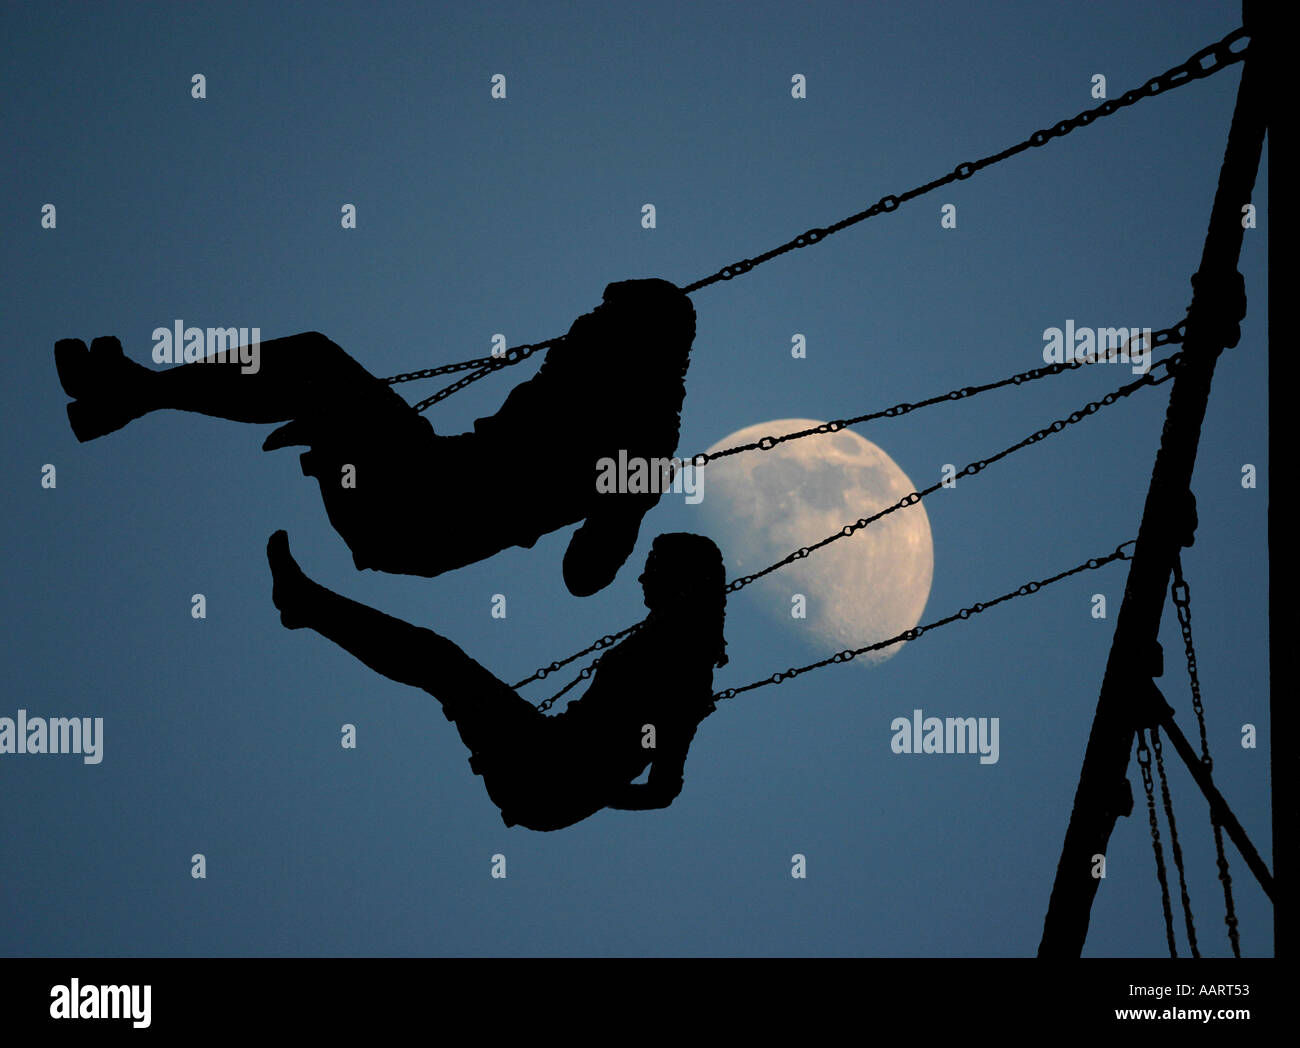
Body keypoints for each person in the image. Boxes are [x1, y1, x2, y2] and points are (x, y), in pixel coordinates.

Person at [54, 278, 696, 596]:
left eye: (605, 315)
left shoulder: (642, 438)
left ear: (636, 342)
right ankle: (134, 395)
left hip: (423, 511)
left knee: (314, 362)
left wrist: (625, 508)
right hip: (421, 480)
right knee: (314, 366)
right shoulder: (586, 377)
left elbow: (583, 577)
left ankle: (136, 393)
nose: (583, 319)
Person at [266, 529, 726, 832]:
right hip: (545, 762)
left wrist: (589, 790)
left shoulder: (686, 666)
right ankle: (306, 605)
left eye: (654, 565)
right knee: (438, 663)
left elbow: (662, 791)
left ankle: (305, 604)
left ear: (682, 578)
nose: (642, 575)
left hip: (548, 771)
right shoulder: (665, 643)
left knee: (436, 658)